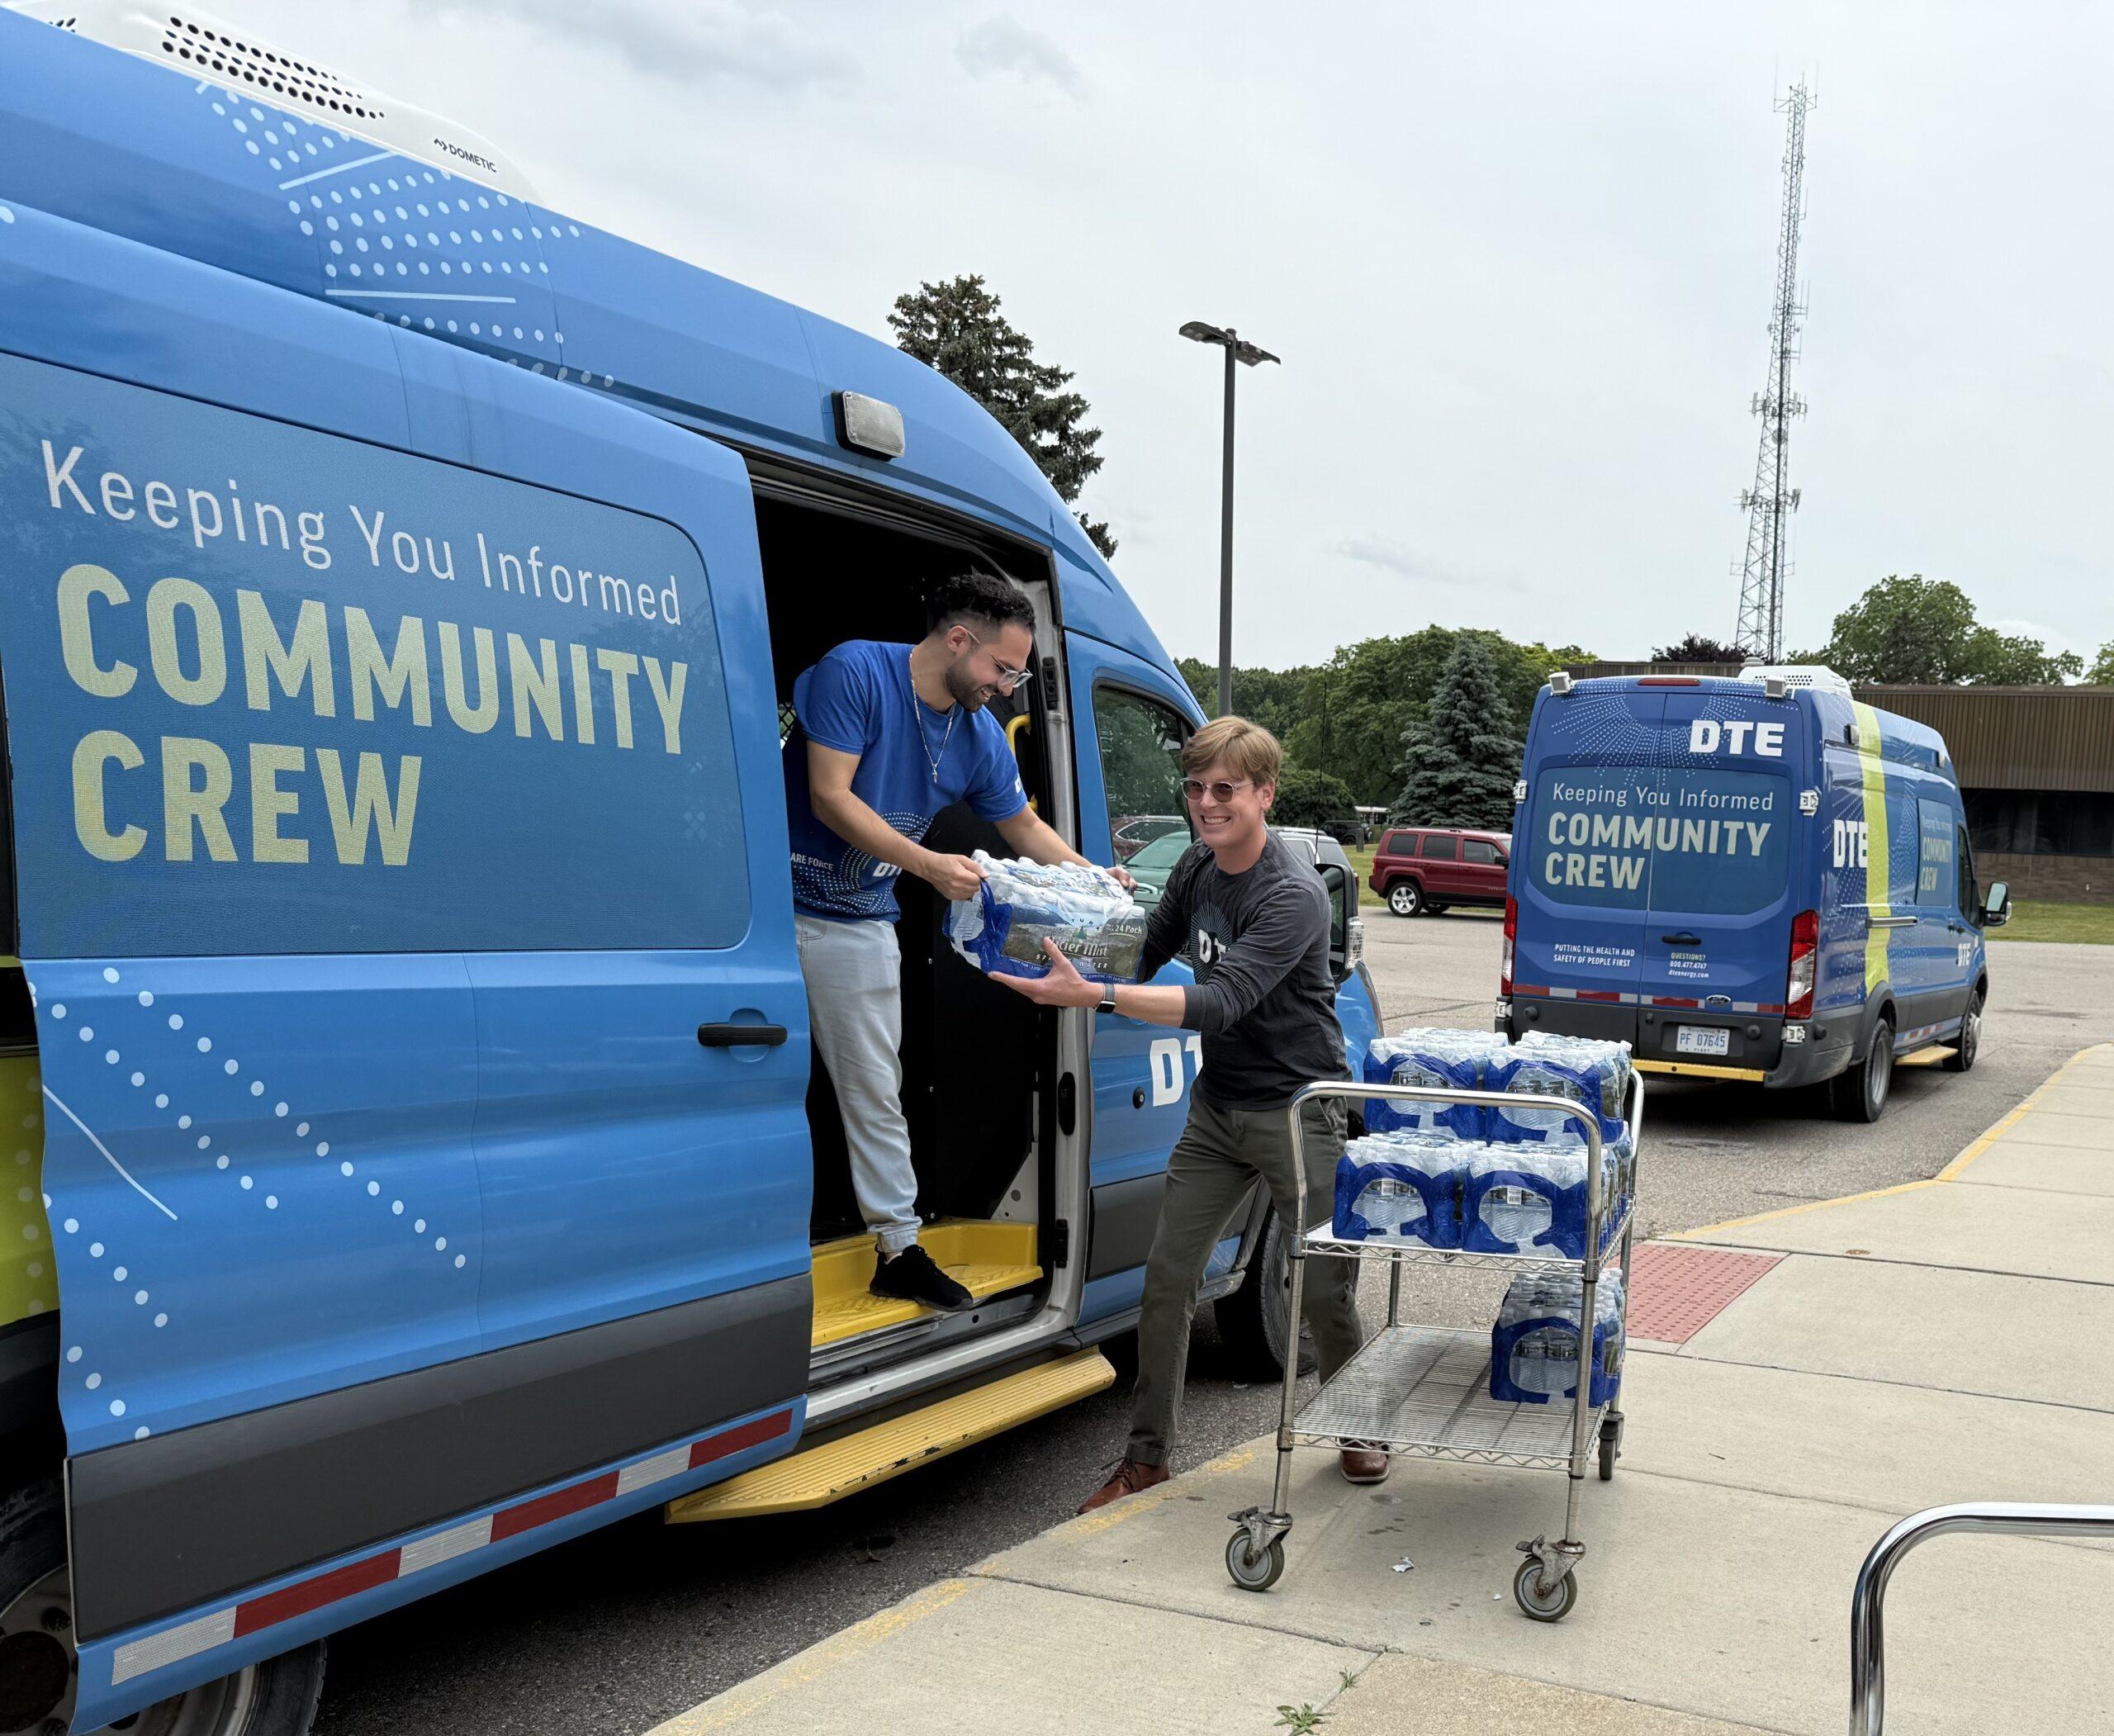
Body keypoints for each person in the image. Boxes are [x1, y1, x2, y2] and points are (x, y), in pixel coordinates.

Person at [992, 715, 1385, 1506]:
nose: (1207, 803)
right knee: (1167, 1281)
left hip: (1298, 1108)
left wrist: (1094, 994)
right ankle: (1148, 1457)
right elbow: (1145, 945)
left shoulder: (1292, 894)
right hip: (1220, 1108)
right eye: (1196, 787)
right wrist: (1062, 937)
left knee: (1319, 1290)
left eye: (1225, 790)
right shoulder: (1198, 868)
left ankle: (1358, 1422)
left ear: (1264, 795)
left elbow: (1221, 1002)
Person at [785, 572, 1130, 1313]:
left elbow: (1026, 829)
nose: (1007, 689)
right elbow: (829, 793)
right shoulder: (858, 672)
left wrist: (1092, 876)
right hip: (768, 914)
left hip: (858, 920)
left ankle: (898, 1249)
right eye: (1001, 669)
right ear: (958, 639)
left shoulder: (976, 735)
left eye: (1017, 675)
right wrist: (929, 866)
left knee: (877, 1089)